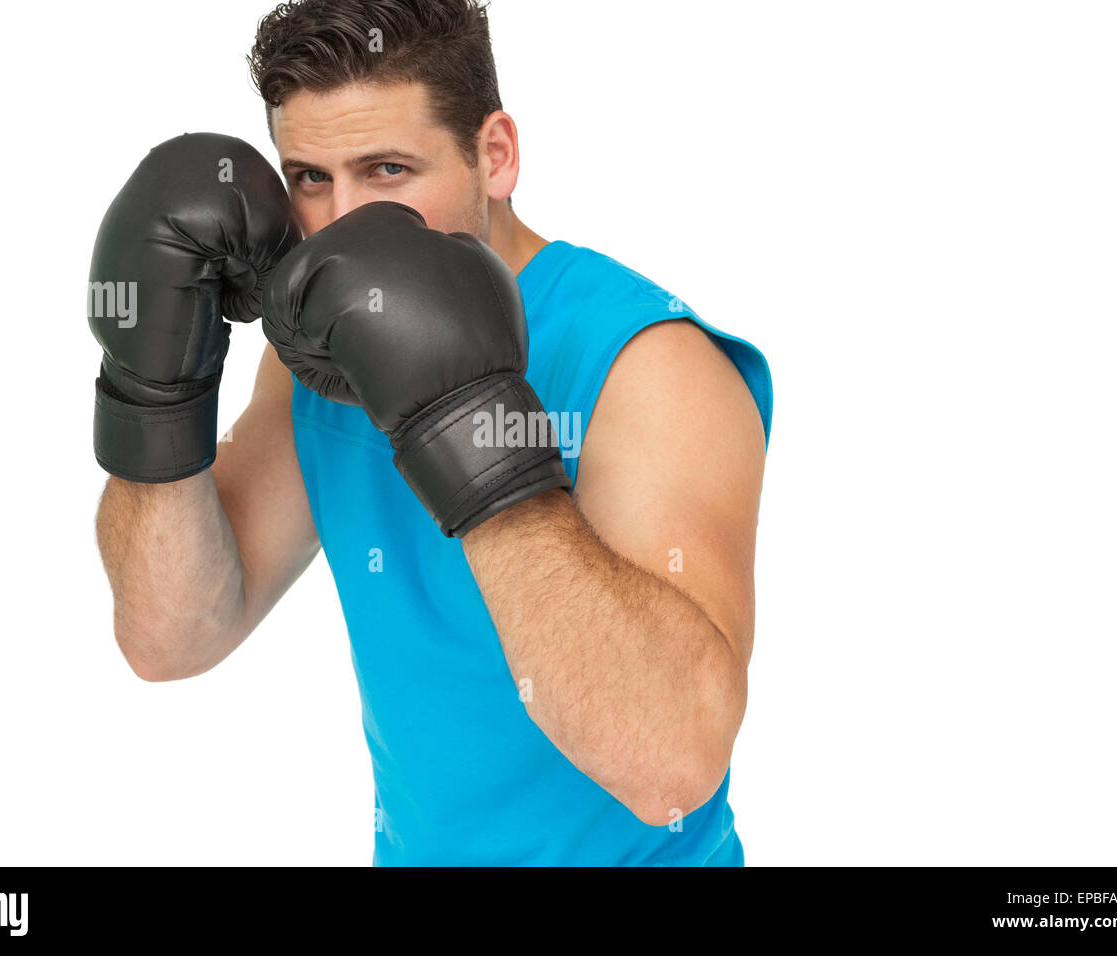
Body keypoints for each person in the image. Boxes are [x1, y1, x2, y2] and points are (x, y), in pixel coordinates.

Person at [89, 0, 772, 866]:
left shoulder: (647, 363)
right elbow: (170, 638)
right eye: (309, 176)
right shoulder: (314, 360)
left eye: (386, 169)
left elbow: (671, 766)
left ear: (496, 156)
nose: (343, 225)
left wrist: (470, 425)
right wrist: (156, 391)